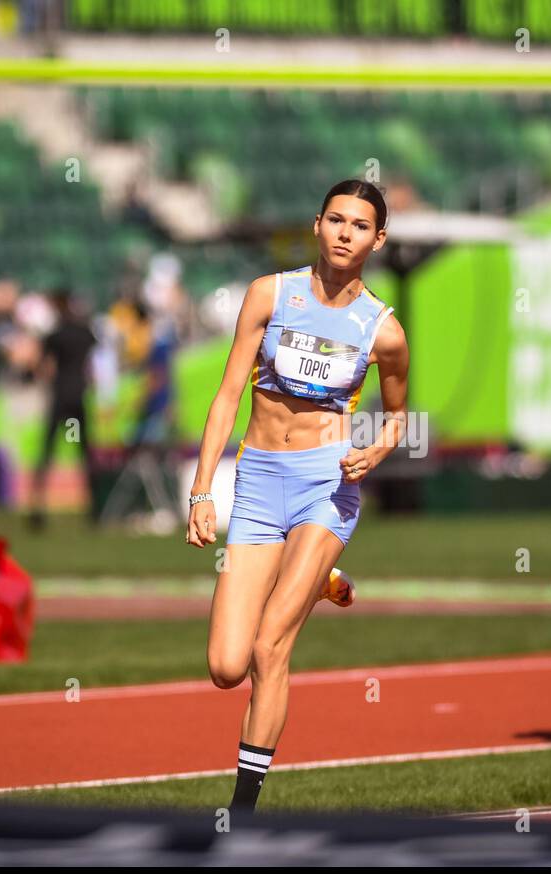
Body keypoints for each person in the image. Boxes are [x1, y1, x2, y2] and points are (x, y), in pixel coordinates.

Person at [185, 180, 409, 816]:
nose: (345, 233)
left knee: (268, 648)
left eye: (360, 225)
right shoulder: (269, 293)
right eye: (335, 220)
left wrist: (378, 450)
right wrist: (204, 490)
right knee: (227, 666)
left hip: (324, 487)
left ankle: (244, 813)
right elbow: (228, 394)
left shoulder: (383, 331)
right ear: (316, 225)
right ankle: (318, 579)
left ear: (378, 239)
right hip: (256, 480)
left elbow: (397, 416)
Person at [29, 288, 98, 531]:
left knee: (47, 452)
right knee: (85, 454)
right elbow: (93, 365)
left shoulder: (55, 335)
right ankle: (95, 508)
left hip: (60, 395)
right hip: (78, 395)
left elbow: (42, 365)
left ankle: (37, 509)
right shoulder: (84, 332)